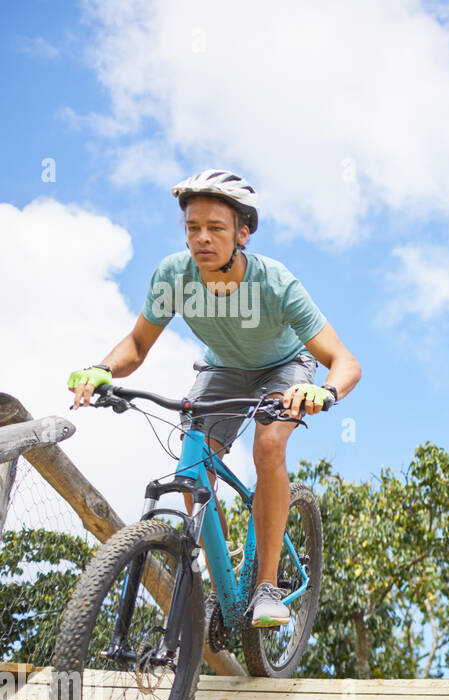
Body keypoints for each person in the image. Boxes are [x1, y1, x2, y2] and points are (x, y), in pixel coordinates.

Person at [66, 169, 361, 627]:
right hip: (221, 369)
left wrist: (324, 389)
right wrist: (102, 368)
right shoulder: (173, 276)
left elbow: (345, 360)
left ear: (243, 233)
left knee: (267, 445)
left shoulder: (275, 283)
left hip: (284, 367)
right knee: (189, 465)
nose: (202, 239)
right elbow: (138, 346)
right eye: (193, 228)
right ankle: (216, 578)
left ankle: (266, 585)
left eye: (216, 228)